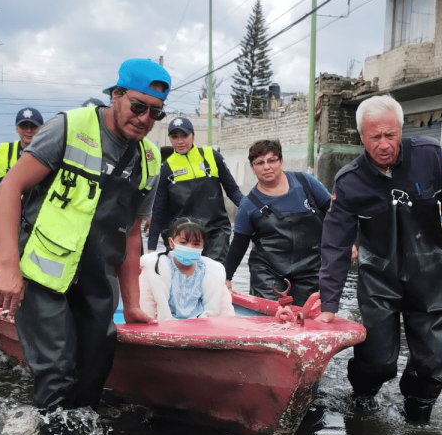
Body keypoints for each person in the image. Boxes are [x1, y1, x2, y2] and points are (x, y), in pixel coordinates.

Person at [0, 59, 169, 435]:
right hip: (42, 275)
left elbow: (133, 234)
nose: (144, 118)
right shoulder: (68, 128)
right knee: (56, 371)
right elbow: (9, 189)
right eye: (138, 106)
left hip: (97, 282)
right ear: (115, 95)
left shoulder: (150, 159)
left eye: (155, 112)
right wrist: (7, 267)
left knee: (91, 376)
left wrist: (133, 305)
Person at [316, 95, 442, 424]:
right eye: (375, 137)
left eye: (390, 135)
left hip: (428, 278)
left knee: (432, 360)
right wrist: (328, 305)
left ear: (400, 131)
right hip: (379, 280)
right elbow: (335, 245)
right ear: (361, 137)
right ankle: (362, 399)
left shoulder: (429, 156)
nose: (383, 144)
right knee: (378, 361)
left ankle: (418, 416)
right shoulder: (349, 182)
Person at [224, 139, 331, 303]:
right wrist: (227, 277)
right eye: (259, 163)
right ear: (253, 168)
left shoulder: (306, 183)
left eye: (271, 160)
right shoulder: (248, 205)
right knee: (272, 319)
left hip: (309, 270)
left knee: (305, 318)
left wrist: (348, 241)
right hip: (268, 273)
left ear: (281, 161)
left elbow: (334, 213)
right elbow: (239, 243)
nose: (266, 167)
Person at [146, 117, 244, 262]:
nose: (180, 141)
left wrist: (250, 209)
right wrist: (151, 251)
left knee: (213, 277)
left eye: (184, 135)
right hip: (183, 238)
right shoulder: (166, 169)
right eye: (174, 136)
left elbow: (233, 190)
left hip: (216, 233)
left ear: (193, 136)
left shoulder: (212, 157)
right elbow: (158, 210)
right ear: (170, 139)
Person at [139, 218, 235, 321]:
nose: (190, 247)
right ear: (171, 243)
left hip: (201, 327)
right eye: (184, 243)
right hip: (166, 326)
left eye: (196, 244)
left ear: (203, 245)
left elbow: (225, 309)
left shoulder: (213, 272)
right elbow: (146, 305)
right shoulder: (155, 268)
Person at [0, 107, 43, 188]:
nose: (29, 130)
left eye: (33, 126)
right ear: (17, 129)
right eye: (24, 126)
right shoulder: (3, 150)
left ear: (41, 129)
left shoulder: (49, 152)